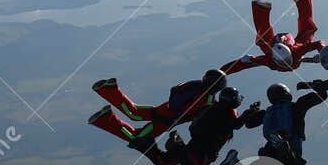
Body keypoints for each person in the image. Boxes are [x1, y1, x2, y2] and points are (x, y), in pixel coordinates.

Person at [101, 86, 260, 165]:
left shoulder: (209, 105)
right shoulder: (227, 114)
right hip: (201, 151)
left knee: (163, 162)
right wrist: (250, 112)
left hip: (194, 146)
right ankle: (167, 145)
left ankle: (150, 143)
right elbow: (236, 124)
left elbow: (231, 123)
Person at [88, 67, 232, 144]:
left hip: (164, 110)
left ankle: (108, 90)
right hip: (164, 121)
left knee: (134, 112)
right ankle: (105, 118)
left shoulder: (196, 85)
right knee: (137, 138)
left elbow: (175, 90)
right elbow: (189, 113)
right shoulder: (207, 101)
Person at [218, 82, 328, 165]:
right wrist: (311, 85)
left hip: (270, 148)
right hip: (291, 144)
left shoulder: (266, 113)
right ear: (286, 93)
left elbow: (249, 124)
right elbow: (322, 95)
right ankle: (283, 146)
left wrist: (253, 112)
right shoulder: (298, 105)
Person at [224, 0, 326, 76]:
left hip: (284, 41)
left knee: (264, 41)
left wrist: (223, 72)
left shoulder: (292, 52)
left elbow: (243, 63)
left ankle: (261, 9)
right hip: (280, 42)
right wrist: (322, 52)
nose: (286, 64)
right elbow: (244, 63)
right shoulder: (274, 57)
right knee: (307, 32)